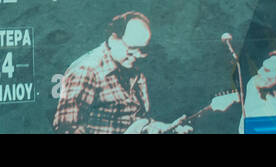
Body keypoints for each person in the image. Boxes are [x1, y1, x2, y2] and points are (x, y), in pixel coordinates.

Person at [52, 11, 190, 134]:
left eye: (143, 50)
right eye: (132, 48)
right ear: (113, 39)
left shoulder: (135, 72)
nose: (137, 55)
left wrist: (157, 128)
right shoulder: (86, 70)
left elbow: (136, 122)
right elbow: (66, 128)